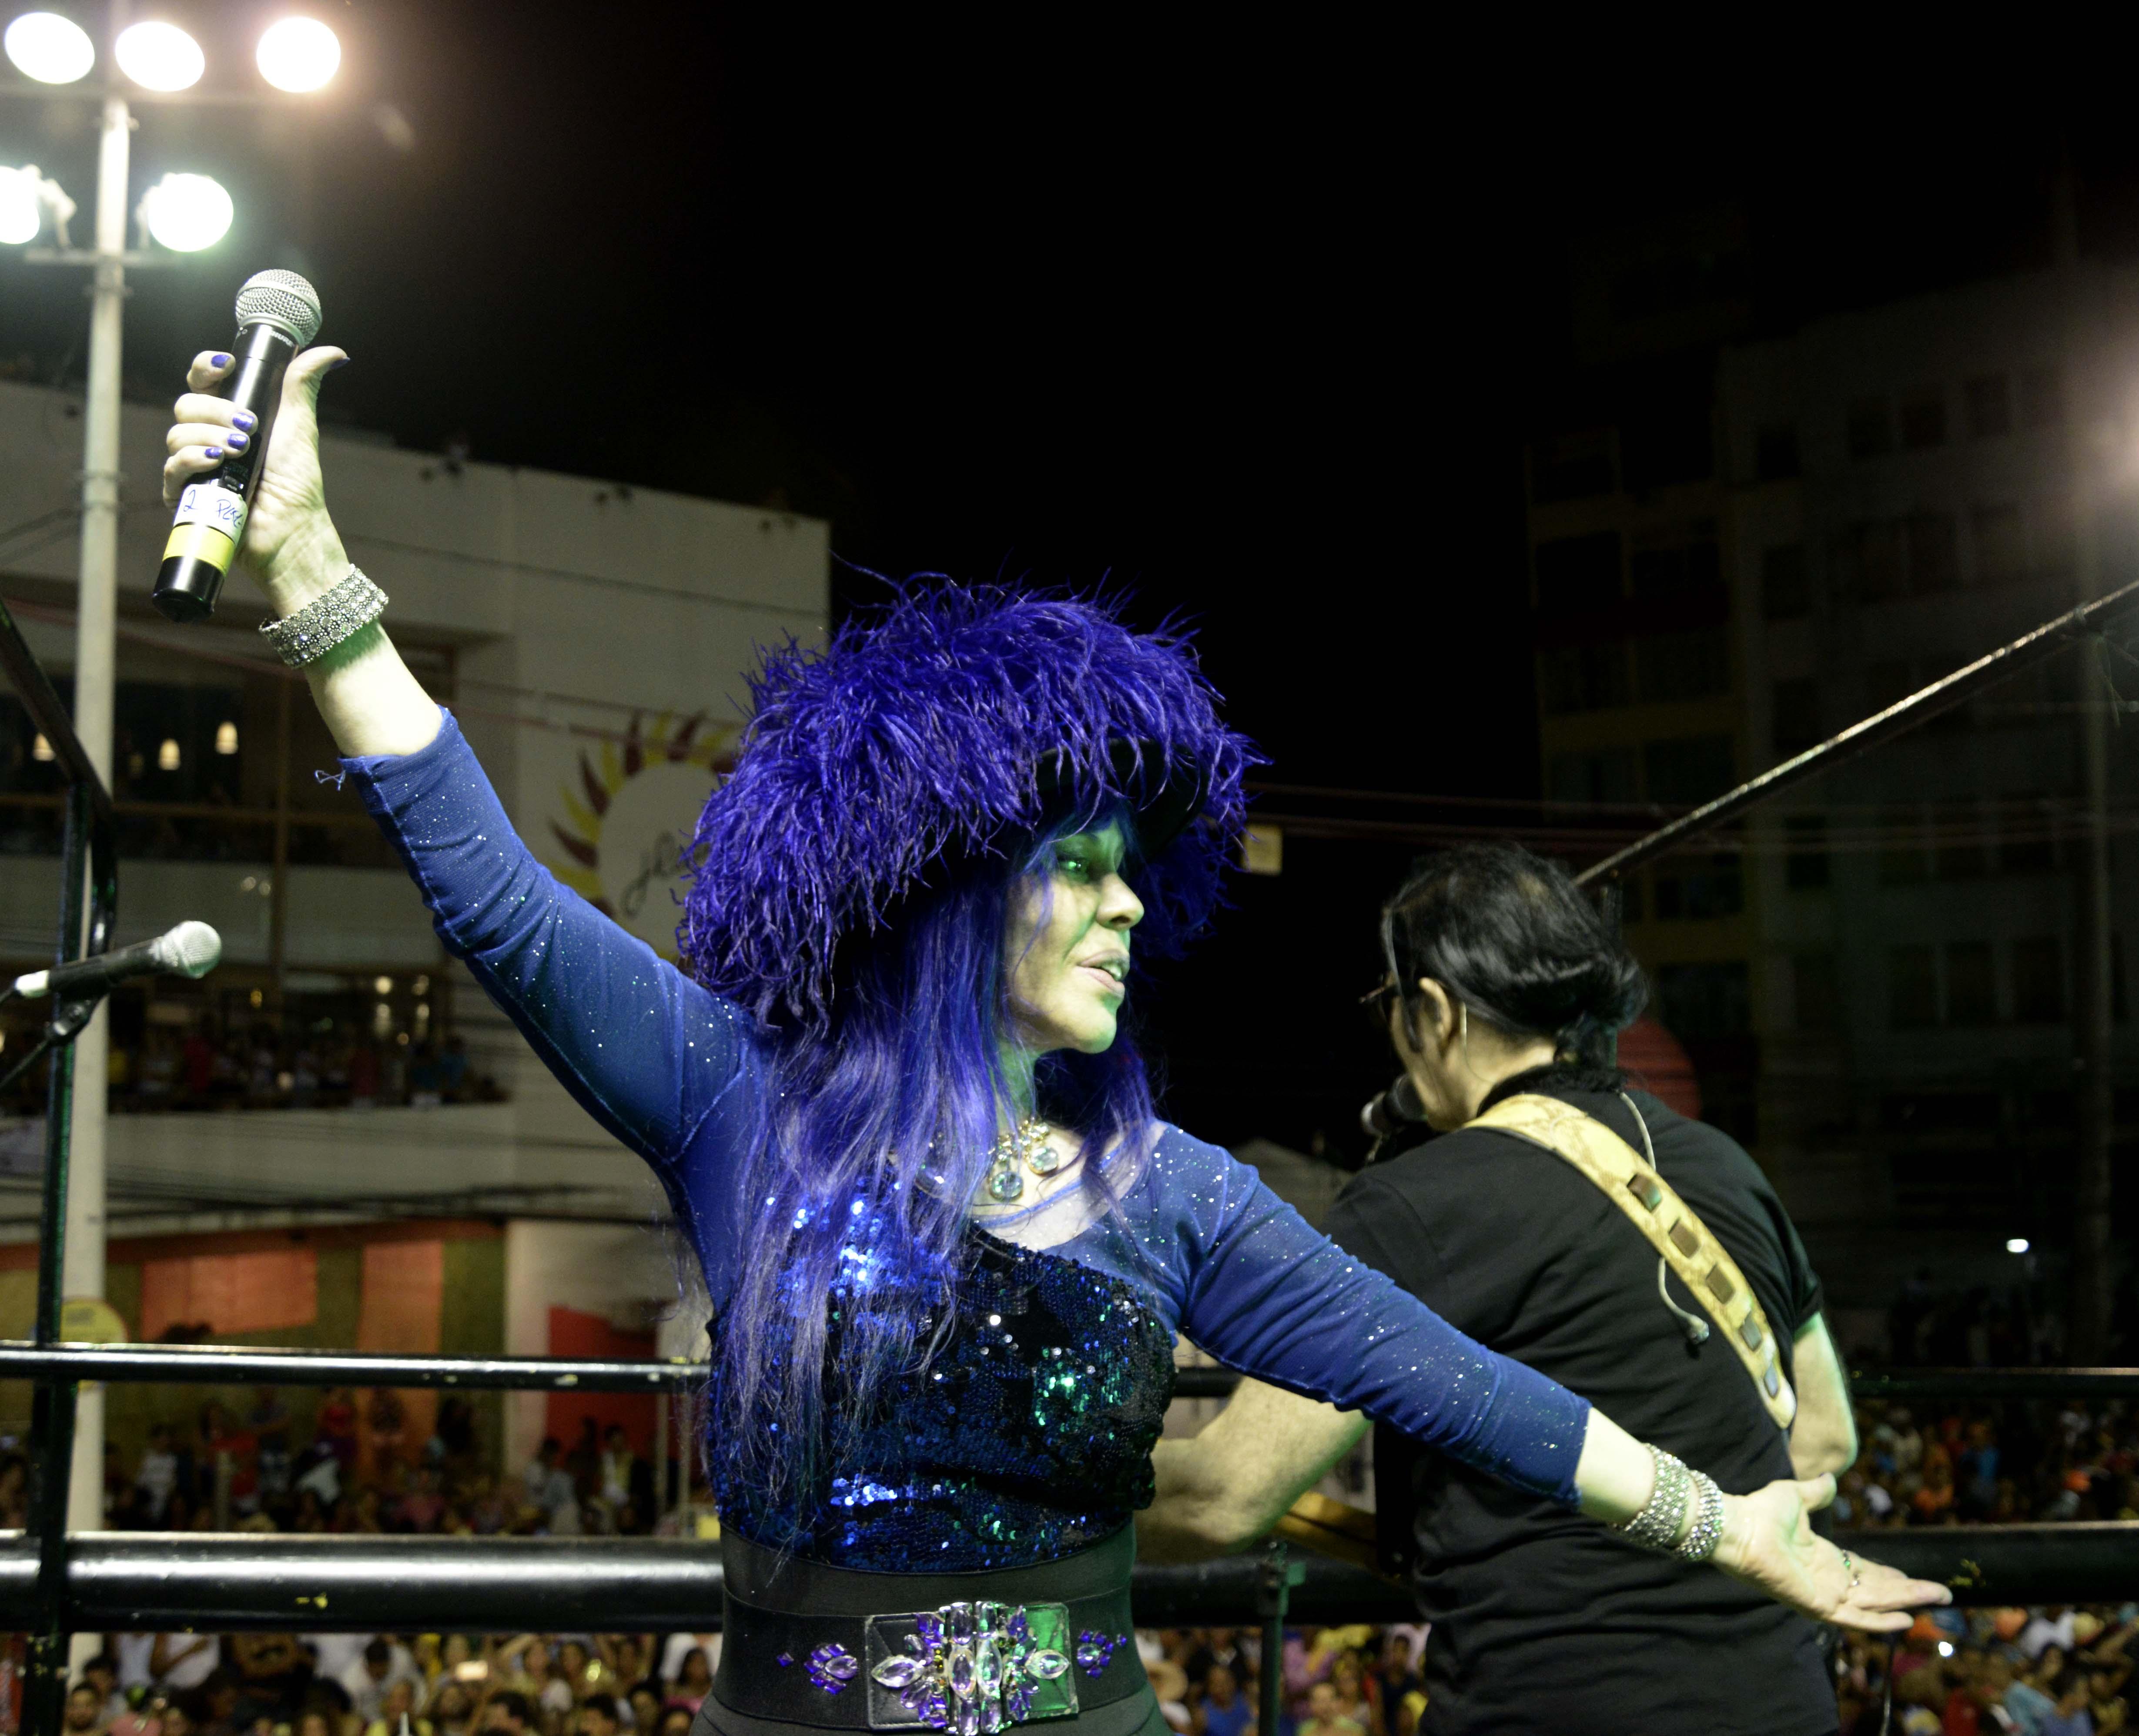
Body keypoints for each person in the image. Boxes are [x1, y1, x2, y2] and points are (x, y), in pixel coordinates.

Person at [163, 346, 1940, 1736]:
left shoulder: (1183, 1196)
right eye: (1078, 872)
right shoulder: (740, 1103)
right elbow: (490, 887)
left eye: (1130, 874)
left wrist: (1733, 1519)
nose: (1131, 910)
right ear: (951, 891)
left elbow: (1450, 1379)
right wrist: (313, 568)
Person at [1145, 843, 1881, 1735]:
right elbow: (1825, 1440)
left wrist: (1018, 1493)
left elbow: (1227, 1493)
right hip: (1780, 1706)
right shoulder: (1722, 1164)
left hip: (1548, 1704)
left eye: (1391, 1005)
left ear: (1434, 1011)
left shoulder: (1412, 1201)